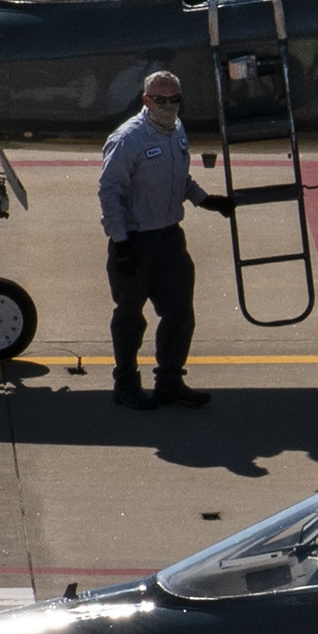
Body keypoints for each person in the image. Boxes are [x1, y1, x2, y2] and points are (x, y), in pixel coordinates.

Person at [98, 69, 227, 409]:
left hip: (170, 239)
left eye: (173, 100)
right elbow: (109, 192)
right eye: (160, 100)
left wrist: (205, 199)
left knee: (180, 313)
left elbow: (178, 178)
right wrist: (121, 242)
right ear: (145, 100)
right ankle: (125, 384)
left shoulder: (177, 130)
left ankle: (170, 380)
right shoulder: (128, 140)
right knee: (129, 316)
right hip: (135, 243)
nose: (167, 106)